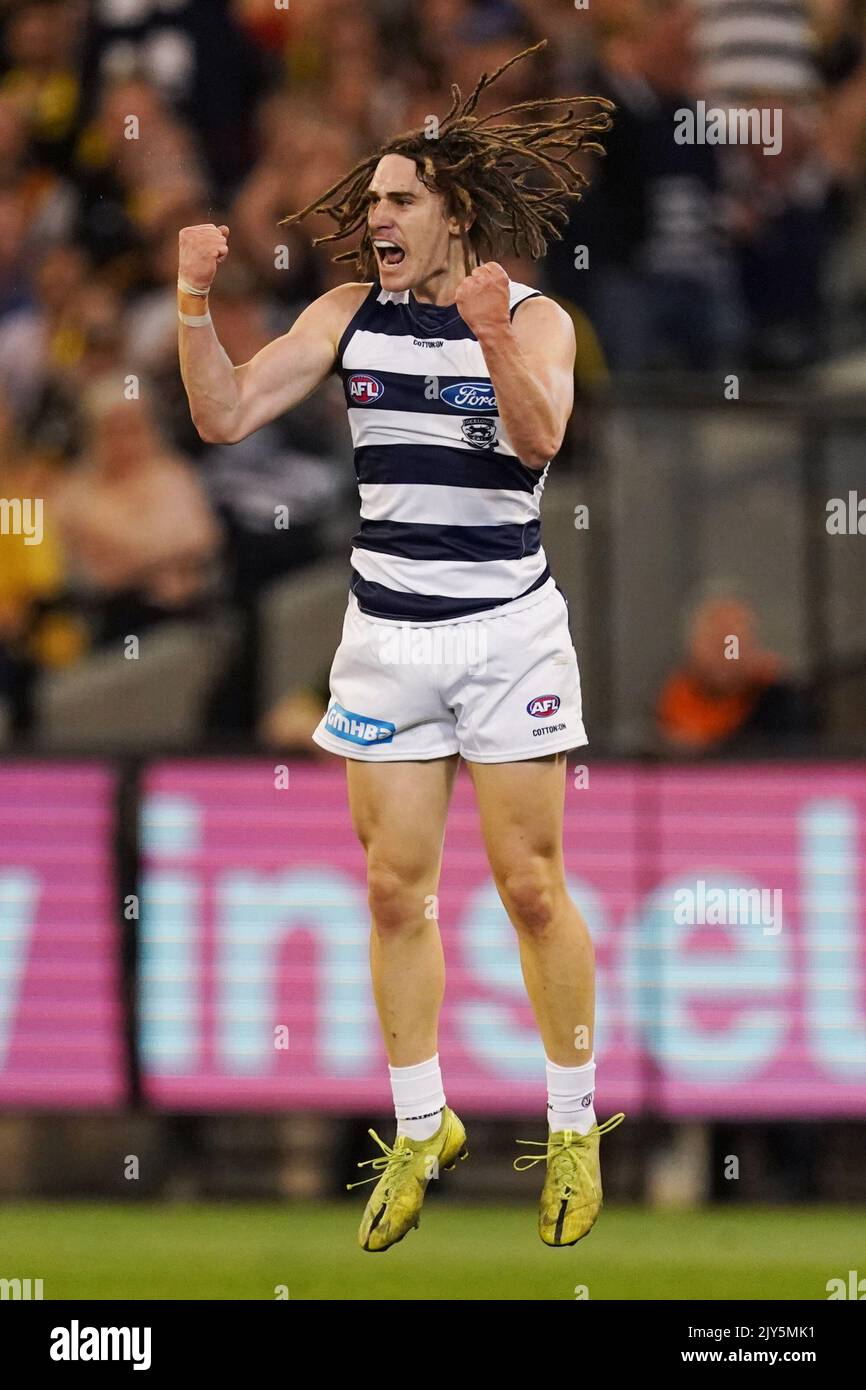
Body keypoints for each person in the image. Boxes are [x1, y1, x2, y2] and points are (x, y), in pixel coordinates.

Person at [178, 40, 624, 1254]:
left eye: (396, 200)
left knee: (531, 886)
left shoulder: (535, 320)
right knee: (392, 888)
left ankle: (573, 1125)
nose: (373, 217)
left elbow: (535, 447)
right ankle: (421, 1124)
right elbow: (221, 414)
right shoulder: (345, 317)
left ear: (453, 216)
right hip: (384, 634)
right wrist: (189, 306)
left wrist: (486, 334)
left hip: (505, 634)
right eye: (371, 200)